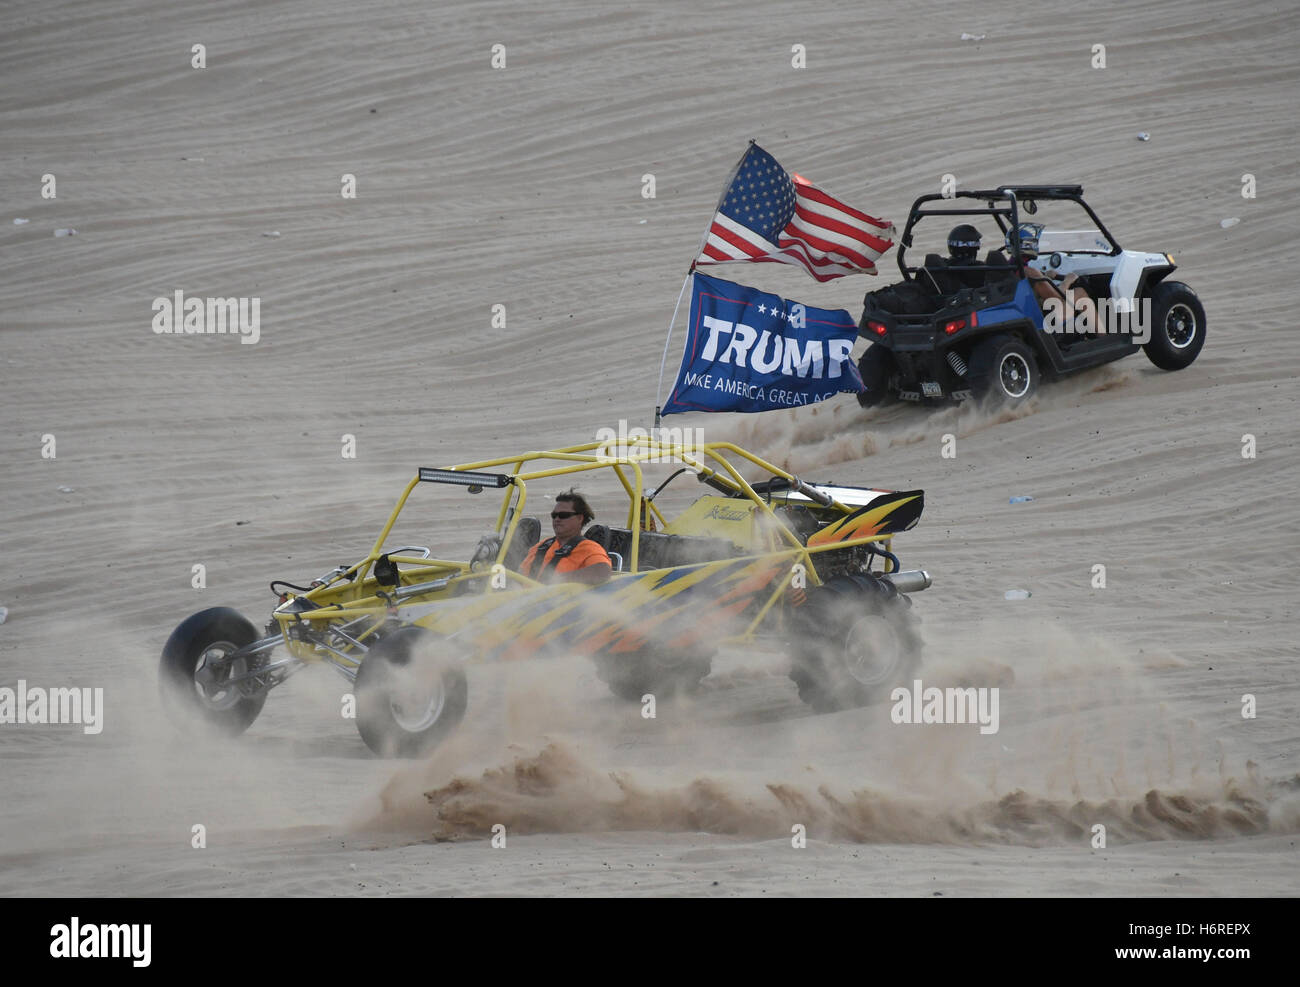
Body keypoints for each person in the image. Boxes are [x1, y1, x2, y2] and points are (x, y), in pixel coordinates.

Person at [1007, 223, 1099, 335]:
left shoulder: (1011, 266)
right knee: (1080, 292)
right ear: (1026, 245)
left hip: (1028, 310)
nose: (1036, 246)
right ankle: (1102, 336)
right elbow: (1056, 298)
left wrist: (1046, 277)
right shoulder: (1029, 272)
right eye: (1033, 242)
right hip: (1046, 317)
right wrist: (1068, 280)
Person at [519, 490, 613, 585]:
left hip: (559, 598)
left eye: (563, 515)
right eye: (554, 515)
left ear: (580, 518)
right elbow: (519, 574)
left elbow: (602, 572)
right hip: (520, 596)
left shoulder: (589, 548)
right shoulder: (541, 545)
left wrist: (557, 579)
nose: (557, 519)